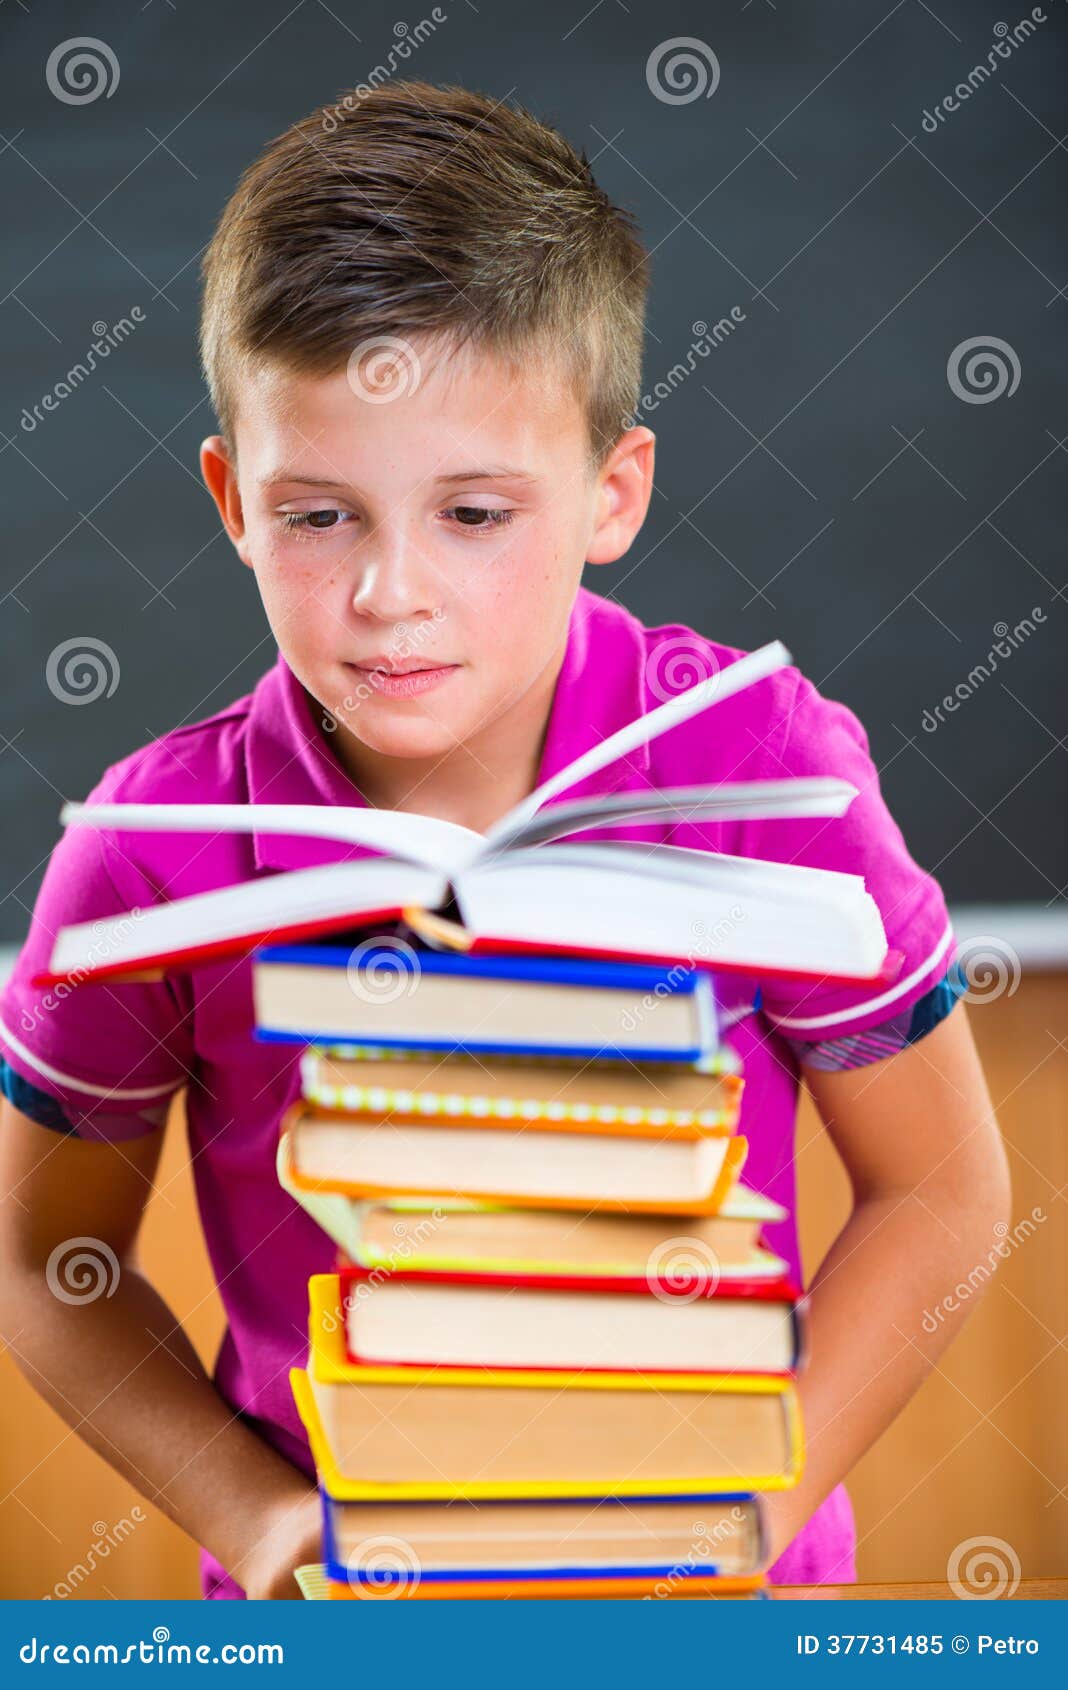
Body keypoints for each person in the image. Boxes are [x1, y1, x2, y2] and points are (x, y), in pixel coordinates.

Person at [0, 80, 1008, 1599]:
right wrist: (259, 1519)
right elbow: (41, 1261)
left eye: (474, 513)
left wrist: (753, 1504)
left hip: (718, 1623)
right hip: (348, 1620)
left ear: (614, 491)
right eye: (319, 515)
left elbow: (943, 1190)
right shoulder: (153, 857)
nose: (392, 594)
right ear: (229, 499)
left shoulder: (764, 771)